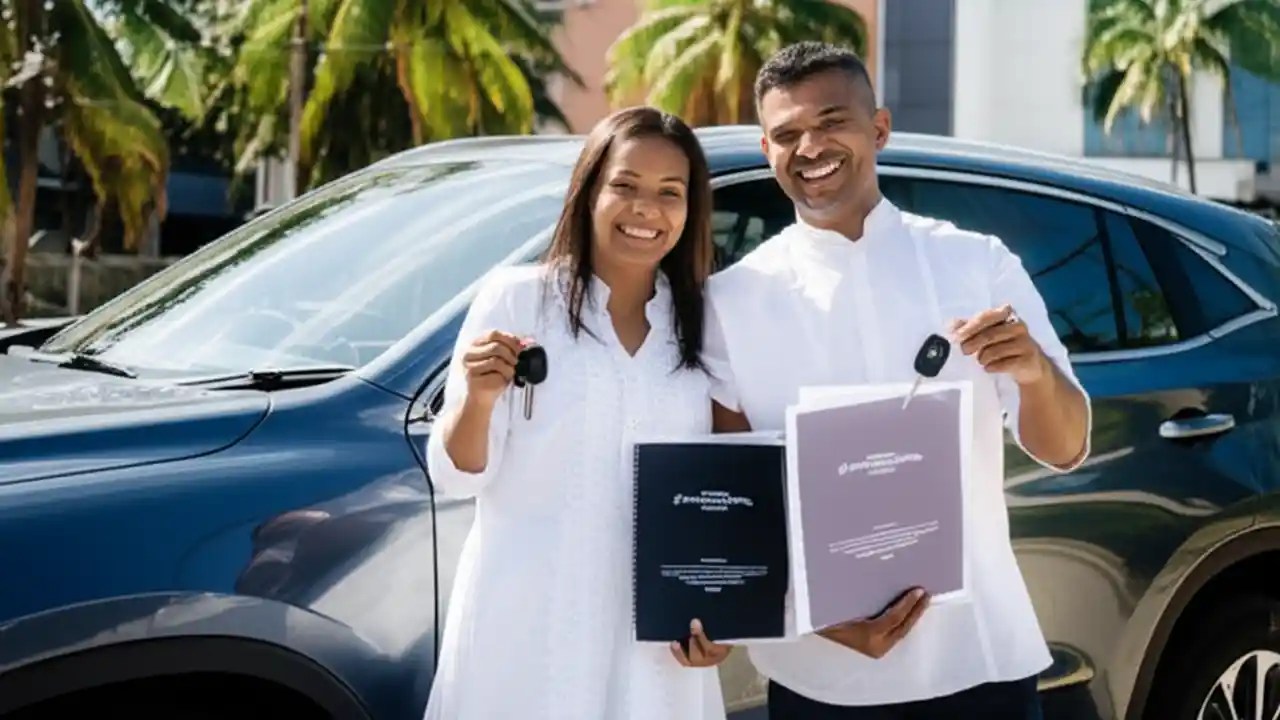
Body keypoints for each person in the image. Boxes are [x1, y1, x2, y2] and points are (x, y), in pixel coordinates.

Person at [698, 42, 1092, 718]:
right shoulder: (730, 302)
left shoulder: (977, 265)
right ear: (767, 148)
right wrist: (819, 621)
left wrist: (1033, 373)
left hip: (980, 658)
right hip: (824, 672)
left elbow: (1065, 448)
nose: (810, 146)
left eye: (832, 122)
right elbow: (736, 502)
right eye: (787, 134)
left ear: (878, 128)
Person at [422, 106, 730, 720]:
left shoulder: (709, 321)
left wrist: (720, 615)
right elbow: (457, 475)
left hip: (655, 648)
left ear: (691, 210)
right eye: (625, 186)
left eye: (670, 193)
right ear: (589, 190)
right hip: (530, 635)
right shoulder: (517, 299)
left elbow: (727, 484)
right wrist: (480, 399)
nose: (646, 210)